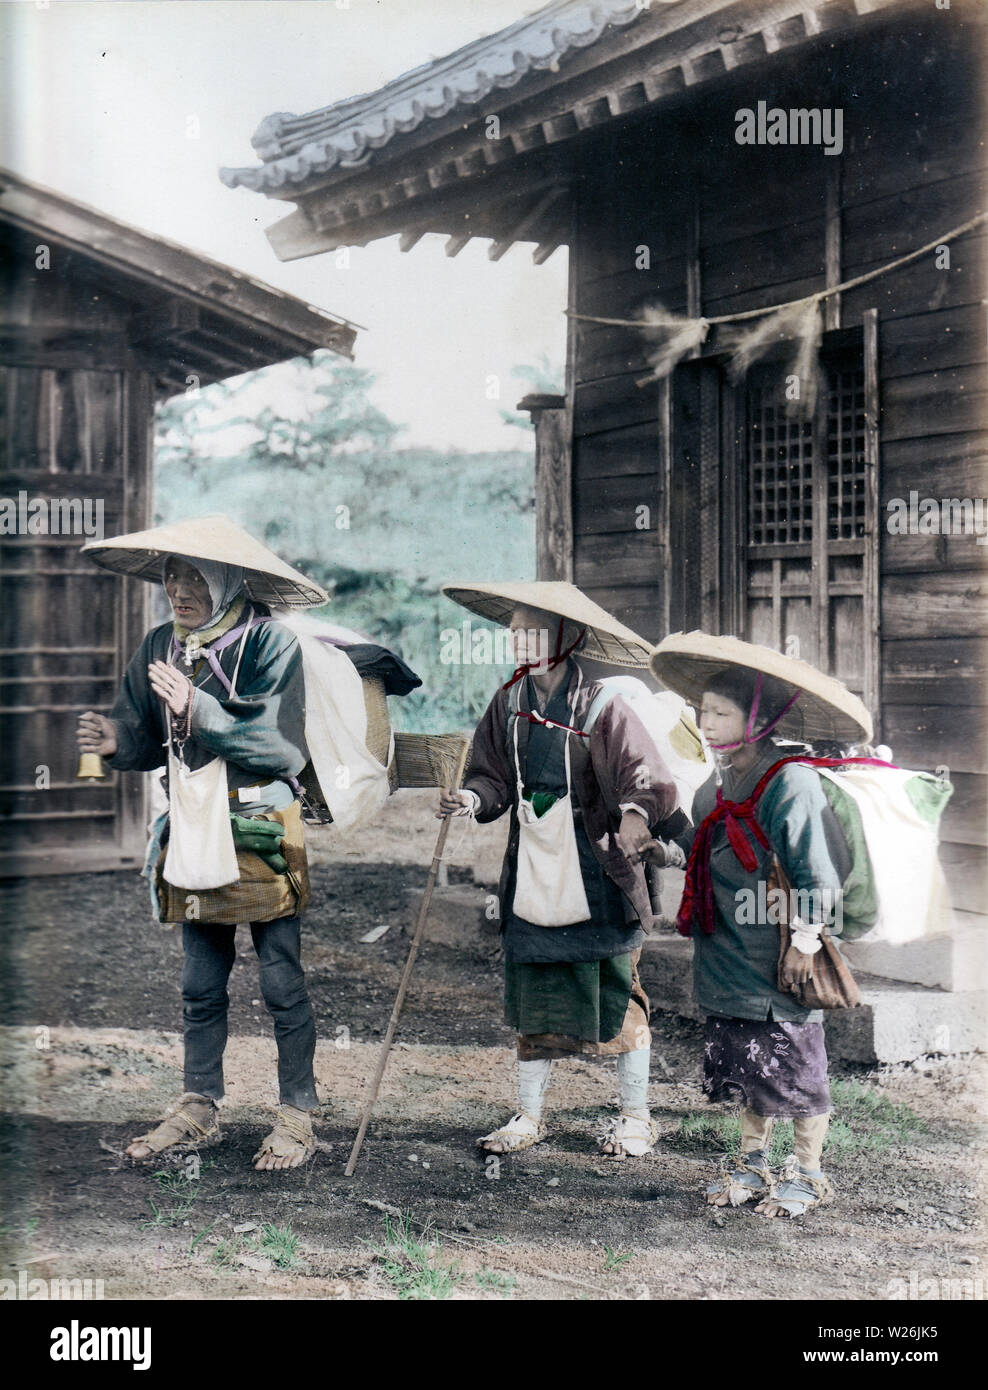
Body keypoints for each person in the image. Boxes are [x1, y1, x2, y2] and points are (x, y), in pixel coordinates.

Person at [77, 518, 325, 1171]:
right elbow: (138, 729)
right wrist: (114, 740)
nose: (179, 589)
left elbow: (281, 748)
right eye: (171, 574)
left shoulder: (271, 644)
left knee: (280, 979)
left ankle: (297, 1112)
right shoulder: (161, 644)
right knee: (199, 980)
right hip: (193, 828)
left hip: (261, 826)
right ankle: (199, 1104)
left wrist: (202, 711)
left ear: (227, 579)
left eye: (195, 576)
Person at [437, 581, 687, 1159]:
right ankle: (528, 1114)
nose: (520, 641)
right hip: (533, 864)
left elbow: (646, 777)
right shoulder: (507, 703)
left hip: (596, 867)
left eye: (534, 630)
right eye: (514, 630)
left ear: (565, 638)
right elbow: (491, 774)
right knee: (534, 989)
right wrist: (471, 801)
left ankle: (635, 1116)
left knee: (617, 988)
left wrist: (631, 814)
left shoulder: (604, 706)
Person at [648, 633, 874, 1218]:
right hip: (727, 947)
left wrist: (803, 941)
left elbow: (815, 871)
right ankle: (751, 1164)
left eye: (722, 713)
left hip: (777, 946)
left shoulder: (790, 782)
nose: (708, 722)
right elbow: (704, 848)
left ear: (760, 721)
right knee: (748, 1064)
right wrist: (664, 852)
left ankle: (807, 1174)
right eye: (704, 712)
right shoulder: (718, 781)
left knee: (796, 1063)